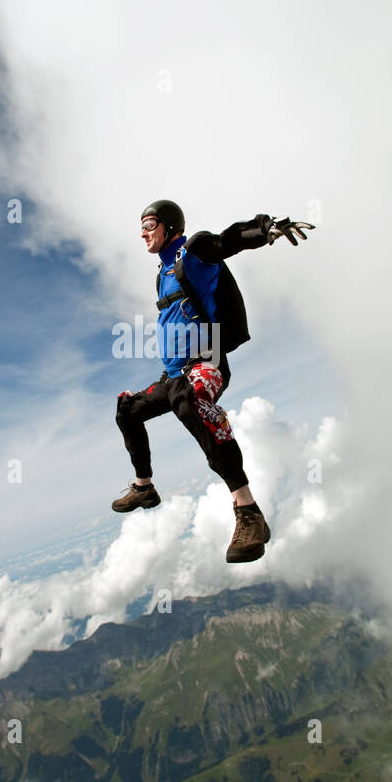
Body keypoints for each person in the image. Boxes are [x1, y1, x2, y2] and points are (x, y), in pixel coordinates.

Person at [112, 199, 311, 563]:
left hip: (207, 365)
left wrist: (264, 229)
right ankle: (144, 488)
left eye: (150, 223)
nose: (142, 232)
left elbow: (227, 241)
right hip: (172, 377)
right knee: (127, 409)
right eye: (141, 225)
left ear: (170, 227)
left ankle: (249, 512)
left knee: (190, 398)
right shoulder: (163, 274)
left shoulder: (194, 252)